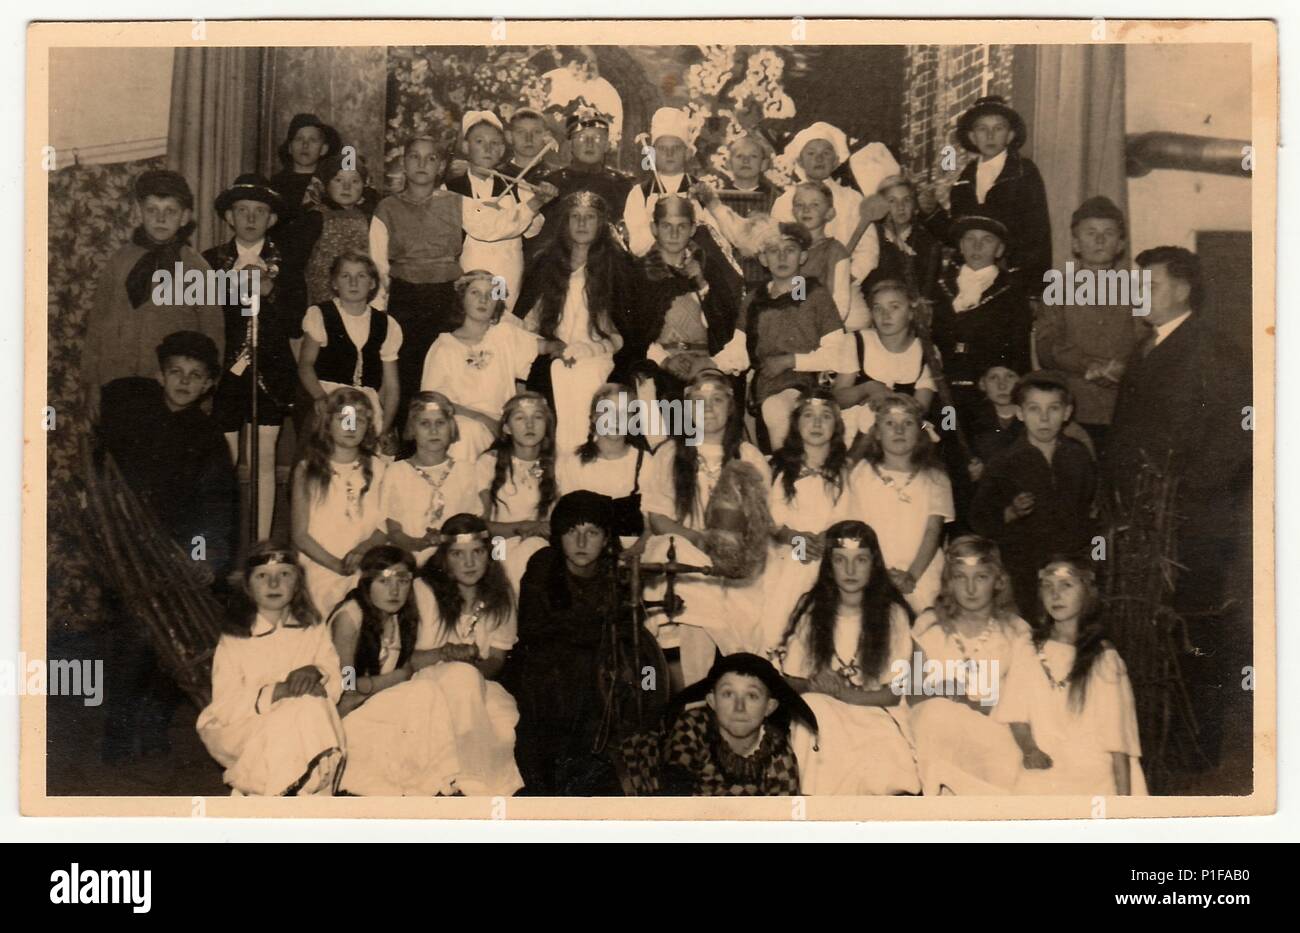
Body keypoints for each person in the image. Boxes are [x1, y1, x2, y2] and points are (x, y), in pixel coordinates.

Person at [1103, 245, 1252, 764]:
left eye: (1150, 285)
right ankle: (1155, 739)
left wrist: (1179, 499)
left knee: (1193, 629)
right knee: (1152, 630)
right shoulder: (1152, 345)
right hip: (1147, 522)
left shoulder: (1211, 349)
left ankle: (1199, 751)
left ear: (1184, 290)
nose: (1137, 295)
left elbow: (1238, 439)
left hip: (1190, 527)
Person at [98, 331, 238, 766]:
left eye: (195, 376)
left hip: (177, 558)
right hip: (127, 553)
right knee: (131, 642)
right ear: (160, 374)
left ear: (208, 385)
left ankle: (156, 724)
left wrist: (203, 557)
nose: (183, 382)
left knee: (170, 649)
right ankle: (118, 730)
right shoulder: (132, 417)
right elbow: (106, 475)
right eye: (175, 372)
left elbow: (217, 506)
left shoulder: (209, 438)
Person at [370, 133, 557, 424]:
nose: (422, 164)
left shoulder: (457, 202)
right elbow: (378, 267)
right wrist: (379, 316)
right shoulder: (386, 209)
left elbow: (493, 225)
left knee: (450, 370)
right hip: (405, 301)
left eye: (431, 158)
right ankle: (408, 447)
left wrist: (534, 203)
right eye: (414, 157)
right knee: (408, 371)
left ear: (441, 166)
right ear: (404, 164)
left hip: (446, 297)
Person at [507, 491, 655, 794]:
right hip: (547, 685)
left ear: (606, 538)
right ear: (559, 537)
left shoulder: (615, 575)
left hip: (596, 685)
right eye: (572, 531)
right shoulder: (544, 565)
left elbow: (631, 635)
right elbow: (536, 632)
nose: (582, 542)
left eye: (592, 532)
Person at [640, 370, 773, 687]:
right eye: (699, 402)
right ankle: (713, 679)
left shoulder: (749, 456)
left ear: (731, 407)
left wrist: (729, 547)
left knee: (722, 597)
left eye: (717, 400)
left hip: (731, 559)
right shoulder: (671, 453)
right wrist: (698, 538)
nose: (709, 408)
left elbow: (762, 522)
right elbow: (658, 518)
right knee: (685, 570)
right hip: (686, 550)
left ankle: (696, 693)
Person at [773, 520, 920, 795]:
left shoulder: (892, 615)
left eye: (860, 560)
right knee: (814, 708)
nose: (850, 570)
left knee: (874, 763)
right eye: (840, 560)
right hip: (825, 707)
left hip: (876, 710)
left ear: (874, 564)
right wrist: (814, 683)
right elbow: (790, 681)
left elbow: (893, 694)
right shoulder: (811, 610)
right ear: (828, 566)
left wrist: (845, 694)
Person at [196, 542, 346, 796]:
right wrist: (277, 691)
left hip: (301, 728)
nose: (274, 584)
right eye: (262, 576)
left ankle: (282, 793)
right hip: (244, 729)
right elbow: (225, 705)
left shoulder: (312, 629)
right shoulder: (235, 639)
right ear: (248, 586)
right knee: (297, 713)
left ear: (297, 583)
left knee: (304, 708)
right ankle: (297, 792)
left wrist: (317, 671)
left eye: (284, 575)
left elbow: (337, 681)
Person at [996, 558, 1147, 795]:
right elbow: (1016, 714)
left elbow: (1118, 741)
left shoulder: (1104, 657)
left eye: (1066, 585)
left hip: (1094, 772)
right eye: (1048, 586)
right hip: (1044, 767)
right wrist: (1030, 750)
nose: (1056, 595)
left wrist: (1123, 808)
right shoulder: (1026, 647)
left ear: (1087, 593)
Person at [82, 169, 224, 418]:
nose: (161, 218)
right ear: (139, 212)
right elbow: (98, 324)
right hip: (118, 382)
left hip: (173, 391)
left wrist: (207, 392)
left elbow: (213, 333)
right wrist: (93, 383)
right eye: (152, 210)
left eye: (170, 211)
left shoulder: (196, 268)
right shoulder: (119, 262)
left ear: (184, 217)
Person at [405, 514, 525, 796]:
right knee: (460, 677)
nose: (469, 563)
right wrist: (447, 654)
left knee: (503, 719)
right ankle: (472, 784)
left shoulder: (501, 594)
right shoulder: (423, 591)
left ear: (489, 555)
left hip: (478, 682)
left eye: (477, 553)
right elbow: (410, 660)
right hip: (427, 682)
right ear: (444, 560)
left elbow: (496, 659)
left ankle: (493, 794)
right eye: (458, 555)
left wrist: (474, 667)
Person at [202, 173, 293, 541]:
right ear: (229, 218)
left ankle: (260, 543)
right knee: (221, 457)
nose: (251, 218)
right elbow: (204, 314)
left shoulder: (285, 263)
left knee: (264, 456)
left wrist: (272, 291)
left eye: (260, 211)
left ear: (271, 219)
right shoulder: (209, 262)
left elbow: (298, 315)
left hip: (270, 373)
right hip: (226, 373)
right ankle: (219, 539)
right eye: (242, 211)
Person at [909, 536, 1031, 795]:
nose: (971, 588)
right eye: (960, 577)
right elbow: (910, 690)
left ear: (998, 581)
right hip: (934, 730)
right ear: (948, 582)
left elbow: (1025, 699)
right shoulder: (929, 625)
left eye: (981, 578)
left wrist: (977, 703)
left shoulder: (1016, 631)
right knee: (936, 713)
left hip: (991, 733)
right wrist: (947, 695)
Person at [970, 373, 1096, 617]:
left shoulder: (1078, 455)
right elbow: (980, 520)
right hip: (1023, 567)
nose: (1044, 418)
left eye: (1054, 409)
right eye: (1034, 409)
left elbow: (1089, 507)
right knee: (1031, 627)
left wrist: (1093, 557)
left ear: (1067, 412)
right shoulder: (1003, 461)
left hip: (1070, 562)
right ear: (1020, 413)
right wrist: (1011, 512)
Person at [714, 219, 845, 452]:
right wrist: (710, 365)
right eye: (774, 251)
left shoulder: (814, 294)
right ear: (763, 259)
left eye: (790, 250)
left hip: (810, 382)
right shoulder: (755, 299)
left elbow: (837, 354)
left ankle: (788, 468)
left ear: (803, 256)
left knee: (777, 408)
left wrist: (790, 361)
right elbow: (738, 349)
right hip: (766, 384)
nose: (782, 258)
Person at [518, 190, 629, 452]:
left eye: (589, 217)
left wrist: (594, 348)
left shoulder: (618, 265)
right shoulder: (545, 263)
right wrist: (550, 346)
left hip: (601, 354)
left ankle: (591, 455)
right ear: (565, 223)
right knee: (559, 374)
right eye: (575, 217)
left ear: (601, 224)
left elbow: (624, 329)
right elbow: (527, 323)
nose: (581, 224)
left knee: (588, 376)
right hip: (554, 352)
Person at [615, 652, 817, 796]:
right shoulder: (693, 728)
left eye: (752, 696)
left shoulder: (778, 756)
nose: (739, 707)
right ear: (712, 702)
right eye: (728, 694)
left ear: (769, 707)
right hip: (639, 779)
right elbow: (674, 794)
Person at [1035, 196, 1143, 453]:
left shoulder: (1139, 289)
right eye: (1090, 232)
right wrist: (1088, 366)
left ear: (1120, 244)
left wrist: (1124, 367)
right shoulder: (1057, 288)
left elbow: (1147, 340)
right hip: (1073, 408)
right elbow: (1046, 346)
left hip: (1126, 406)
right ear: (1075, 243)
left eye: (1108, 233)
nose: (1099, 240)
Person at [420, 269, 560, 463]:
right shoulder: (444, 346)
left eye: (491, 294)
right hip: (459, 420)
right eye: (475, 292)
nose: (483, 300)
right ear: (462, 299)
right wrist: (481, 418)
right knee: (465, 434)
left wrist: (563, 348)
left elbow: (545, 346)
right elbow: (432, 400)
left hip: (502, 422)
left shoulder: (504, 335)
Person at [762, 390, 853, 651]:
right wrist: (797, 540)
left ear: (836, 427)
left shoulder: (844, 470)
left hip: (830, 551)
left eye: (825, 417)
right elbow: (772, 519)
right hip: (787, 551)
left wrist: (825, 540)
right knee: (781, 608)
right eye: (808, 416)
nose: (816, 424)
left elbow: (847, 514)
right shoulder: (779, 468)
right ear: (795, 424)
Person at [930, 96, 1052, 289]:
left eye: (998, 128)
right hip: (971, 276)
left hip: (1012, 279)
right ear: (972, 137)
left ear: (1010, 136)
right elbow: (956, 233)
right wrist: (931, 212)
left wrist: (1034, 289)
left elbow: (1038, 234)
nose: (990, 135)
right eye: (982, 129)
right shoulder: (964, 179)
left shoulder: (1023, 172)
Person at [848, 393, 953, 614]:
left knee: (927, 631)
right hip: (874, 570)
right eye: (890, 424)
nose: (899, 430)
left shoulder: (936, 477)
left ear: (920, 432)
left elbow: (933, 531)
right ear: (876, 433)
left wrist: (912, 575)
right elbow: (858, 529)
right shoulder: (862, 473)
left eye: (907, 423)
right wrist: (879, 573)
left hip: (922, 572)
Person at [621, 195, 742, 385]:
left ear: (693, 229)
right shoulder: (639, 274)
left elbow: (726, 325)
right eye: (667, 226)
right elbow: (632, 332)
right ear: (654, 229)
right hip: (657, 364)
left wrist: (702, 284)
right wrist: (665, 360)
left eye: (682, 226)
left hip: (704, 363)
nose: (674, 234)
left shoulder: (708, 269)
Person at [290, 387, 389, 618]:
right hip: (320, 567)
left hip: (364, 567)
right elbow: (300, 536)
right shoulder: (308, 470)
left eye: (360, 420)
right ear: (327, 423)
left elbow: (384, 526)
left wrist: (364, 550)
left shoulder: (380, 469)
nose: (351, 427)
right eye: (344, 418)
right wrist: (336, 565)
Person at [931, 214, 1033, 420]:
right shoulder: (940, 286)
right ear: (961, 245)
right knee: (947, 435)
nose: (977, 246)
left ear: (1000, 249)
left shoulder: (1011, 292)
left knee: (982, 437)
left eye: (987, 240)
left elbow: (1018, 349)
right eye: (970, 239)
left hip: (987, 392)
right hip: (943, 386)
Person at [445, 110, 545, 314]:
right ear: (466, 147)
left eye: (495, 143)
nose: (488, 148)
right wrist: (526, 209)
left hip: (505, 274)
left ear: (502, 150)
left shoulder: (517, 184)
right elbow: (484, 228)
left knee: (500, 323)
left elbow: (533, 229)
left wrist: (536, 204)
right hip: (468, 273)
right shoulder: (451, 189)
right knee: (471, 323)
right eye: (480, 141)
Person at [297, 252, 402, 442]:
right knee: (338, 442)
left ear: (372, 283)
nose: (353, 283)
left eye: (361, 276)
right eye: (346, 276)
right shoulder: (320, 315)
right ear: (335, 283)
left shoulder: (386, 324)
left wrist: (385, 427)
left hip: (366, 403)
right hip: (329, 397)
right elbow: (305, 364)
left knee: (372, 452)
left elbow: (392, 386)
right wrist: (320, 397)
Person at [833, 279, 938, 448]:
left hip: (901, 430)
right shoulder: (857, 340)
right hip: (853, 432)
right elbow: (838, 398)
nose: (885, 315)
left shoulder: (927, 351)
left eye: (894, 307)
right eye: (877, 308)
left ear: (911, 313)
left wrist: (887, 400)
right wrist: (868, 388)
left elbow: (920, 409)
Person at [380, 392, 480, 566]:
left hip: (457, 562)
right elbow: (393, 531)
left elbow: (472, 524)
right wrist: (419, 544)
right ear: (412, 429)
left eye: (440, 423)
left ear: (451, 427)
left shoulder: (466, 470)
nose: (433, 431)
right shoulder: (396, 472)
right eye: (425, 423)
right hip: (412, 558)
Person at [476, 392, 558, 594]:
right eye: (520, 418)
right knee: (514, 559)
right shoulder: (488, 463)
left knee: (533, 549)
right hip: (499, 545)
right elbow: (481, 524)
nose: (529, 426)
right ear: (506, 427)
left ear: (547, 425)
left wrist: (540, 530)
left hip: (542, 546)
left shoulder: (559, 464)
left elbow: (560, 521)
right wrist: (524, 527)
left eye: (537, 418)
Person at [268, 113, 343, 331]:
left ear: (324, 148)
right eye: (299, 139)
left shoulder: (332, 186)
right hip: (285, 275)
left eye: (313, 139)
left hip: (322, 272)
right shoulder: (274, 186)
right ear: (289, 147)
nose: (305, 145)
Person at [556, 383, 650, 548]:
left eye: (624, 413)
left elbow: (651, 523)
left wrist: (637, 551)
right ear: (593, 417)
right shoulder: (572, 462)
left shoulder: (645, 461)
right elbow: (566, 521)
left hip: (635, 552)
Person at [302, 151, 381, 308]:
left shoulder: (368, 219)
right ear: (326, 184)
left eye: (354, 181)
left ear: (364, 186)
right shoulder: (315, 218)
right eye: (338, 180)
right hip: (322, 300)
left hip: (358, 300)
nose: (346, 187)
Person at [865, 174, 943, 303]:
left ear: (914, 204)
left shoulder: (927, 243)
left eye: (906, 200)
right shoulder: (870, 238)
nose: (900, 207)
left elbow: (928, 291)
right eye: (892, 201)